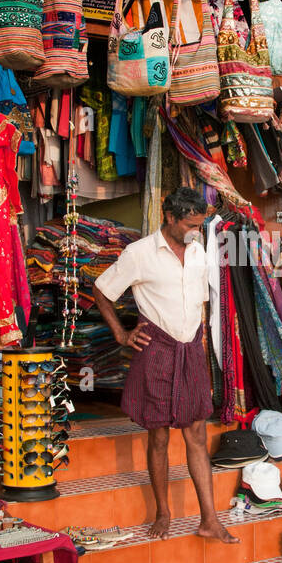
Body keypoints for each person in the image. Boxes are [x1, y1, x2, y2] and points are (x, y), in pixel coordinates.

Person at [93, 188, 237, 543]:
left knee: (197, 434)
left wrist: (202, 345)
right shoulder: (139, 254)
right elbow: (101, 290)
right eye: (189, 224)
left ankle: (210, 520)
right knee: (158, 436)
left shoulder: (199, 249)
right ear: (169, 217)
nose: (194, 231)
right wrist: (121, 335)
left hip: (190, 351)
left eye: (199, 225)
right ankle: (163, 511)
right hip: (156, 349)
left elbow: (200, 303)